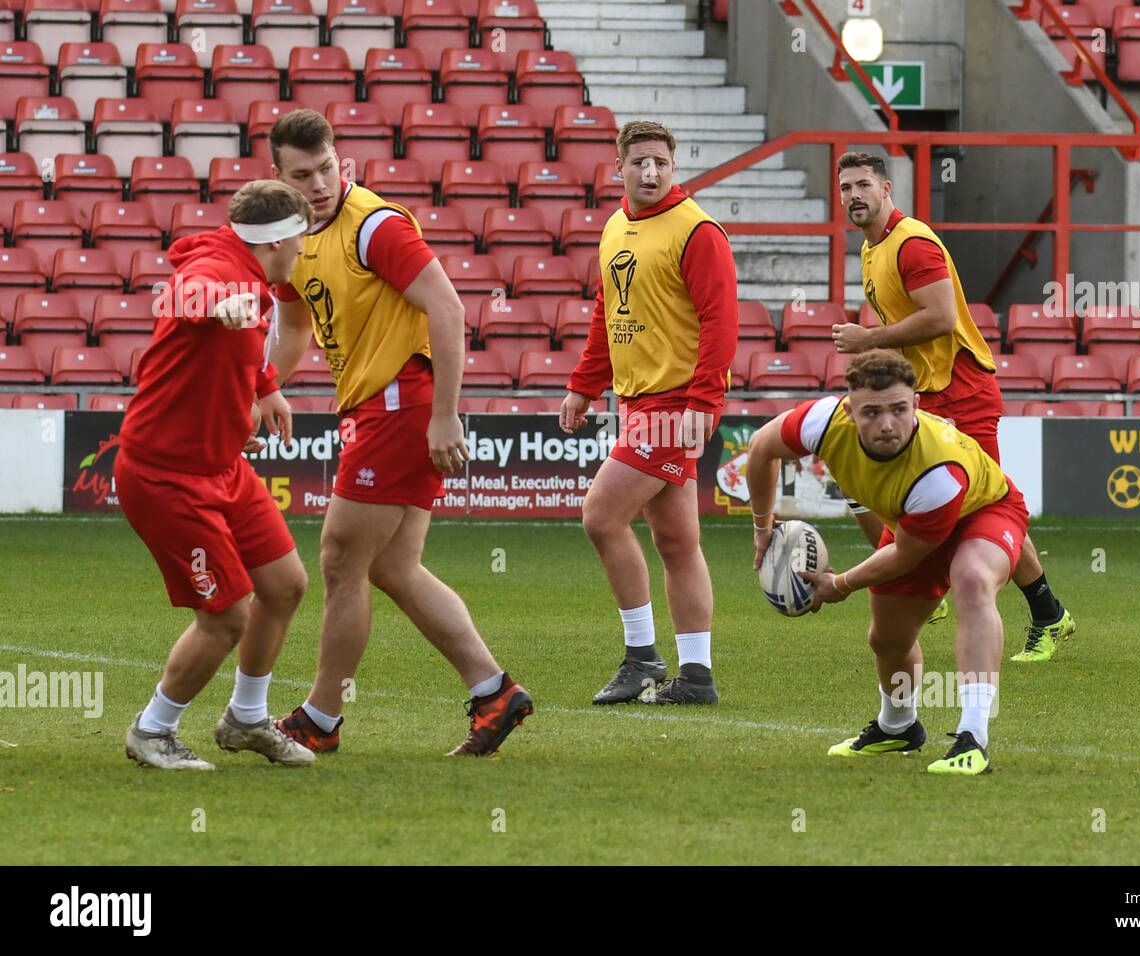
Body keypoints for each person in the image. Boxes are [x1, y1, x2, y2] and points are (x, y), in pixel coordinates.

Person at [265, 108, 532, 756]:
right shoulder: (295, 241)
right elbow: (295, 329)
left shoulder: (374, 225)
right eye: (303, 174)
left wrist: (445, 413)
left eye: (327, 168)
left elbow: (447, 306)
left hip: (399, 404)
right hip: (378, 408)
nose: (320, 183)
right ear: (279, 179)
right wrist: (259, 387)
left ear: (344, 164)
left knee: (338, 559)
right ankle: (493, 691)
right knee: (392, 566)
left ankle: (320, 720)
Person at [830, 152, 1076, 662]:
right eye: (845, 187)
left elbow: (940, 318)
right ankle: (918, 580)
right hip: (924, 392)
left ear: (887, 189)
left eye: (862, 185)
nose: (854, 195)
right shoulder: (872, 249)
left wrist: (867, 338)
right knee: (889, 493)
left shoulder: (911, 243)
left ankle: (1048, 613)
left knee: (986, 510)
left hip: (961, 390)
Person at [747, 350, 1028, 775]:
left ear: (916, 404)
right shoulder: (822, 421)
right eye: (872, 412)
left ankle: (973, 738)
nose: (886, 424)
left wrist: (838, 584)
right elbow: (760, 450)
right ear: (849, 409)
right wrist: (762, 526)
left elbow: (906, 554)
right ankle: (898, 727)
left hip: (985, 509)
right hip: (910, 521)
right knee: (888, 639)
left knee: (971, 579)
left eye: (899, 410)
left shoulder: (937, 471)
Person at [119, 179, 316, 770]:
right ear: (278, 240)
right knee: (227, 615)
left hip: (222, 468)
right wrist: (216, 304)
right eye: (300, 241)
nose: (303, 252)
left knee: (284, 585)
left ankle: (246, 719)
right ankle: (152, 731)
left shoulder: (252, 273)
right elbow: (188, 293)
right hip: (166, 476)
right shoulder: (217, 269)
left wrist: (265, 388)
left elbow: (242, 345)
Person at [559, 120, 739, 705]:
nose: (651, 172)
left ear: (673, 163)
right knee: (677, 542)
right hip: (638, 401)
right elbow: (605, 313)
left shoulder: (697, 231)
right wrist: (585, 386)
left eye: (660, 161)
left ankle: (642, 657)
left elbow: (721, 322)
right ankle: (697, 678)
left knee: (601, 516)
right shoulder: (615, 227)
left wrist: (704, 401)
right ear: (620, 168)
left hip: (673, 404)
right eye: (639, 162)